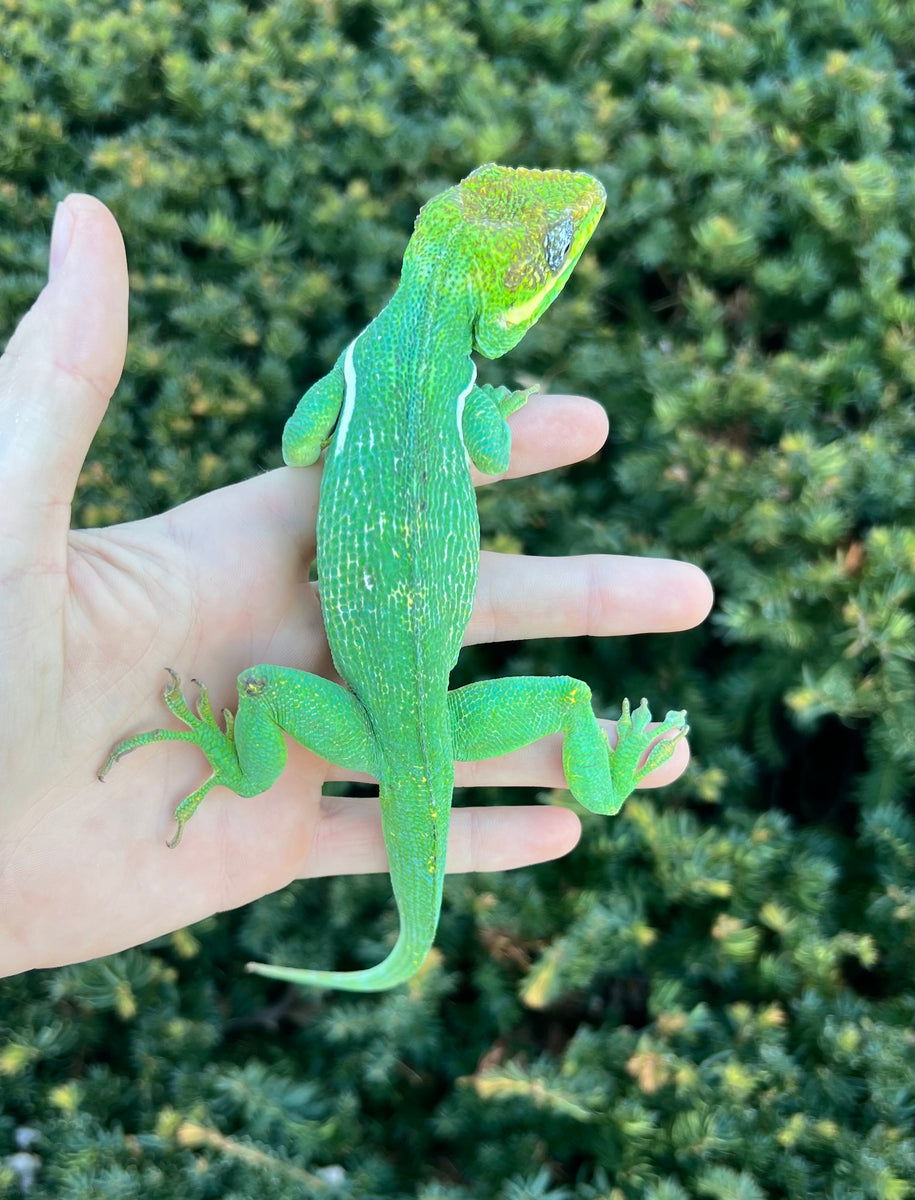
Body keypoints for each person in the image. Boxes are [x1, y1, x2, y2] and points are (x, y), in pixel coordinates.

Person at [0, 194, 713, 978]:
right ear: (493, 301)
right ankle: (604, 787)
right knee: (573, 702)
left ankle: (239, 768)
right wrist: (486, 407)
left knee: (263, 699)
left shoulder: (360, 358)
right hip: (430, 723)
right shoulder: (460, 388)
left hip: (381, 724)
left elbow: (297, 445)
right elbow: (493, 454)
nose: (560, 253)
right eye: (550, 253)